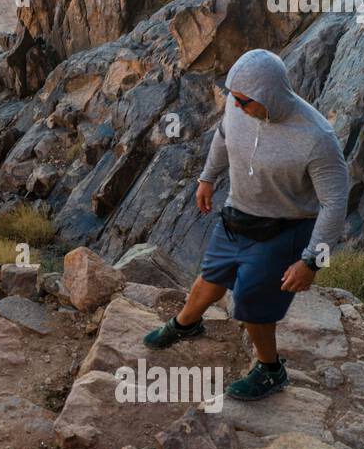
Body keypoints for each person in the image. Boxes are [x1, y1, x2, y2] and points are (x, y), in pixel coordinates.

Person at [143, 49, 349, 401]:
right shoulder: (237, 108)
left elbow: (335, 203)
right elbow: (224, 137)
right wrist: (207, 178)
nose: (236, 106)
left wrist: (312, 261)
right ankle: (185, 325)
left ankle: (271, 370)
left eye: (243, 101)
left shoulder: (316, 138)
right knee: (210, 276)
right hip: (237, 215)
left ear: (269, 96)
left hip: (282, 229)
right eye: (233, 98)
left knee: (252, 301)